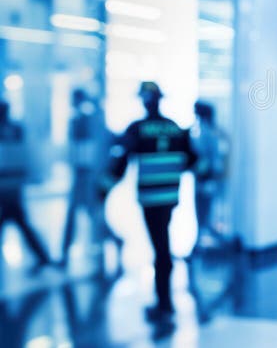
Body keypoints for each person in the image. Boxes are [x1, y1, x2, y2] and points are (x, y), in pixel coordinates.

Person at [103, 82, 197, 327]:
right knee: (162, 244)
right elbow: (191, 161)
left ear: (145, 101)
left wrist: (103, 188)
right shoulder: (175, 128)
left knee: (161, 249)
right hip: (170, 197)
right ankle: (164, 301)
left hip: (151, 198)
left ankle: (165, 303)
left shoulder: (137, 129)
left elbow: (120, 164)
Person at [60, 89, 121, 272]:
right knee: (78, 214)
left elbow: (99, 146)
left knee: (92, 213)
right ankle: (64, 253)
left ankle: (115, 240)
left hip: (90, 176)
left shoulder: (91, 121)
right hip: (81, 175)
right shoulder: (78, 121)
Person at [0, 99, 52, 271]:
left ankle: (43, 255)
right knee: (18, 219)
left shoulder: (14, 129)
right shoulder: (16, 129)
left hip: (9, 181)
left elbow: (23, 153)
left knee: (17, 218)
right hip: (12, 180)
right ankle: (42, 255)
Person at [191, 101, 228, 249]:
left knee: (204, 209)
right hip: (204, 177)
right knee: (203, 208)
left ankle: (201, 242)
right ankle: (200, 239)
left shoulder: (207, 132)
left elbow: (210, 157)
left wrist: (209, 175)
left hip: (207, 178)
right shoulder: (206, 130)